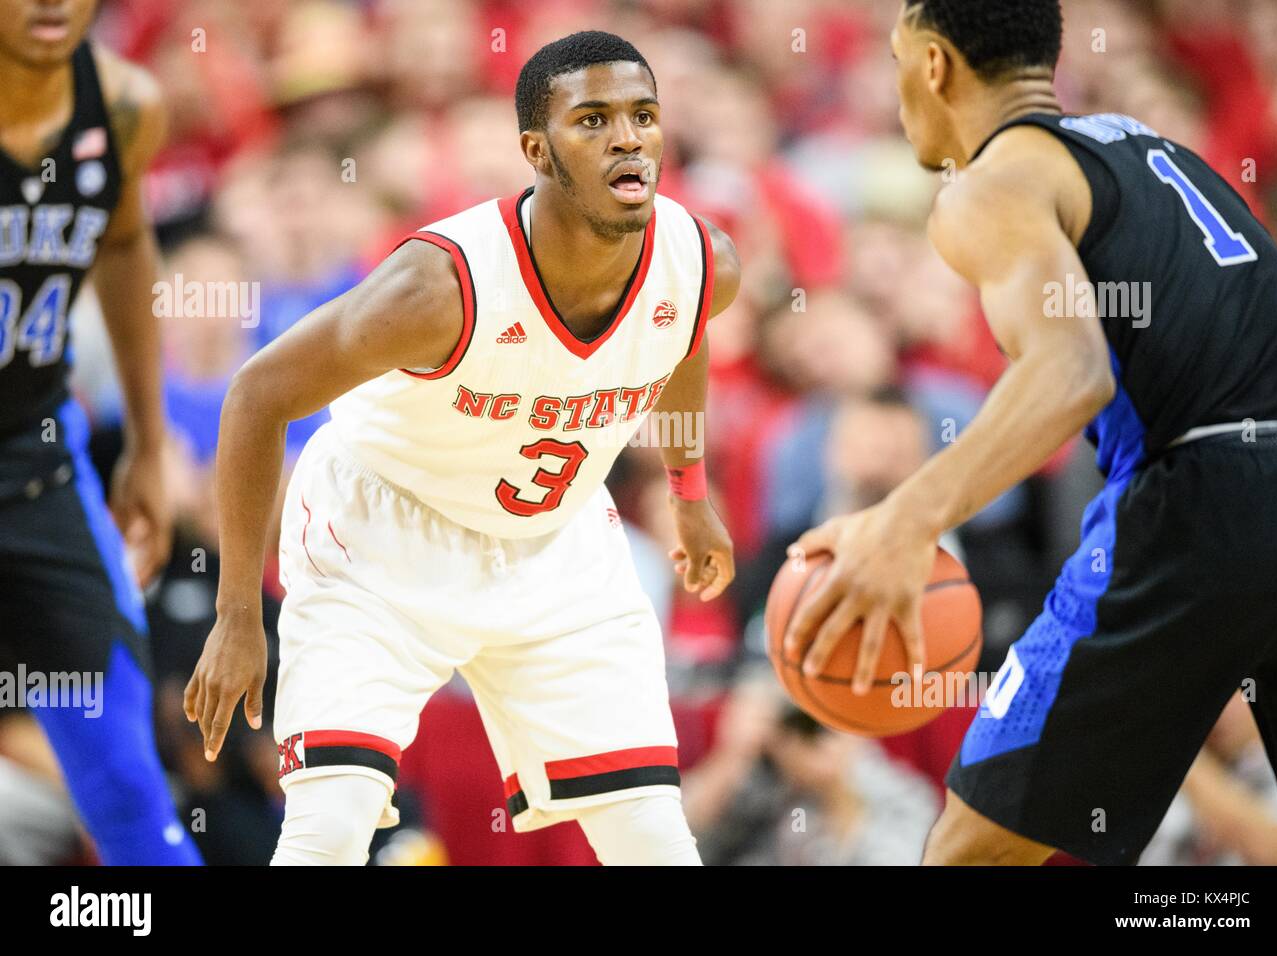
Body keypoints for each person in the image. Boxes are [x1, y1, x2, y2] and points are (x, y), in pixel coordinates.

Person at [186, 30, 740, 866]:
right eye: (593, 119)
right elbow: (257, 395)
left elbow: (681, 334)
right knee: (329, 829)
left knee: (655, 840)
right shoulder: (439, 285)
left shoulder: (701, 261)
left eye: (643, 115)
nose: (628, 136)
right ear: (536, 151)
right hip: (383, 541)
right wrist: (236, 614)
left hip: (557, 546)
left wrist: (689, 496)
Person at [787, 0, 1277, 866]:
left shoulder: (989, 184)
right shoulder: (1153, 149)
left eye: (897, 57)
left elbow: (1071, 372)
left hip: (1203, 496)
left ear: (936, 65)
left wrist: (902, 520)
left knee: (969, 852)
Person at [0, 0, 201, 863]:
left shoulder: (123, 104)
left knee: (123, 780)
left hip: (35, 460)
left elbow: (124, 248)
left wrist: (151, 446)